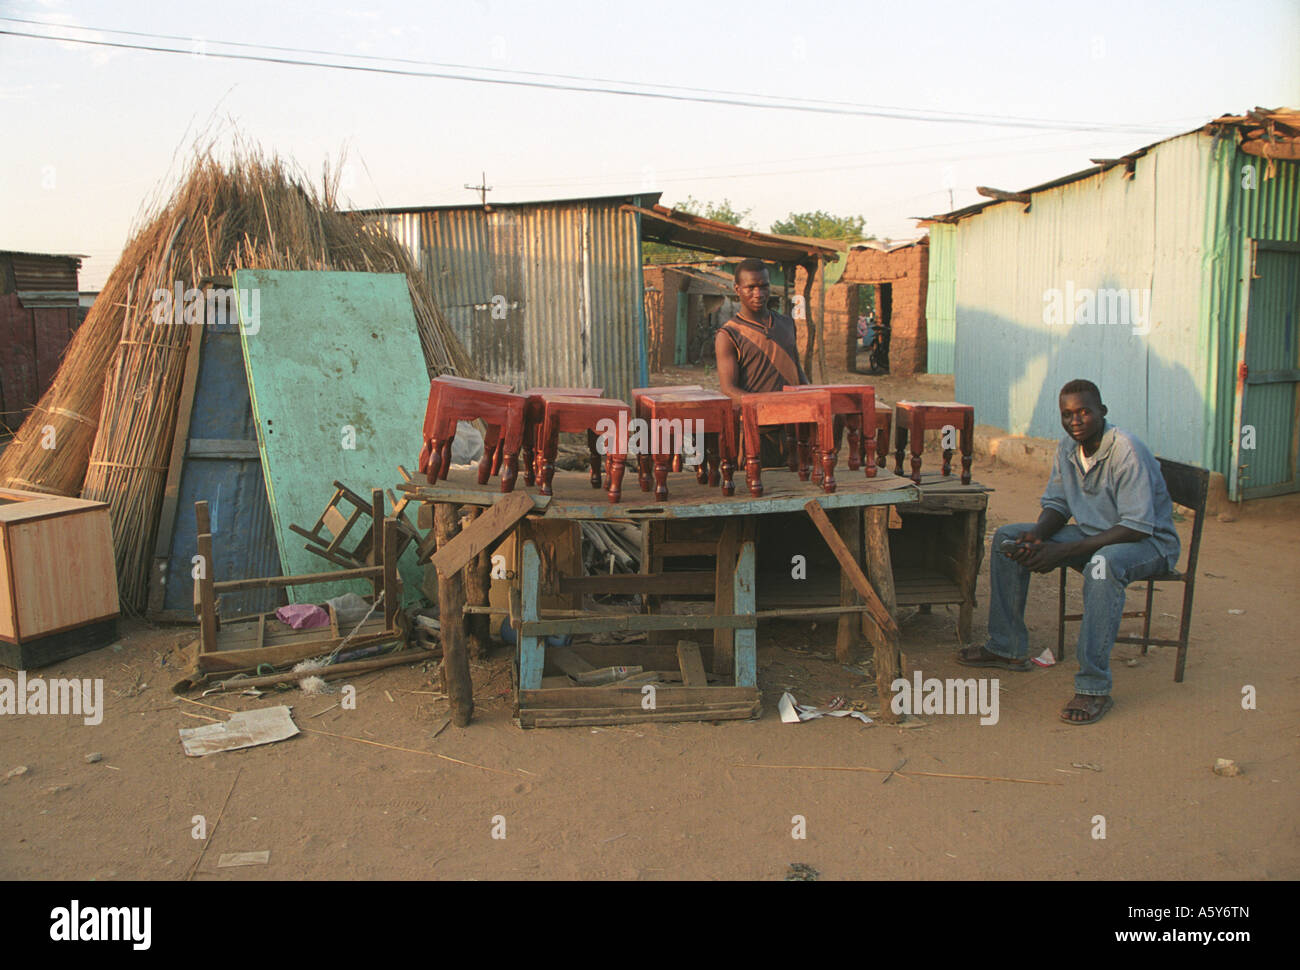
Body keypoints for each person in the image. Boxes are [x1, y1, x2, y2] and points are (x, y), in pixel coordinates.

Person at [956, 379, 1180, 725]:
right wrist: (1037, 536)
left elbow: (1136, 525)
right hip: (1093, 535)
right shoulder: (1067, 449)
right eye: (1067, 414)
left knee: (1102, 567)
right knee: (1007, 540)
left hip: (1148, 543)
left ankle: (1093, 687)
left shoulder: (1125, 450)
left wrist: (1064, 552)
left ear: (1102, 412)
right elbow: (1058, 504)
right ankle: (1006, 647)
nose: (1075, 421)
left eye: (1084, 412)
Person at [715, 258, 809, 466]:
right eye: (751, 287)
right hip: (756, 431)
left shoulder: (786, 323)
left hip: (793, 429)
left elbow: (797, 372)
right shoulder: (729, 334)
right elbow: (729, 389)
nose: (758, 293)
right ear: (737, 289)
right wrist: (769, 407)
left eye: (764, 286)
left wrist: (810, 404)